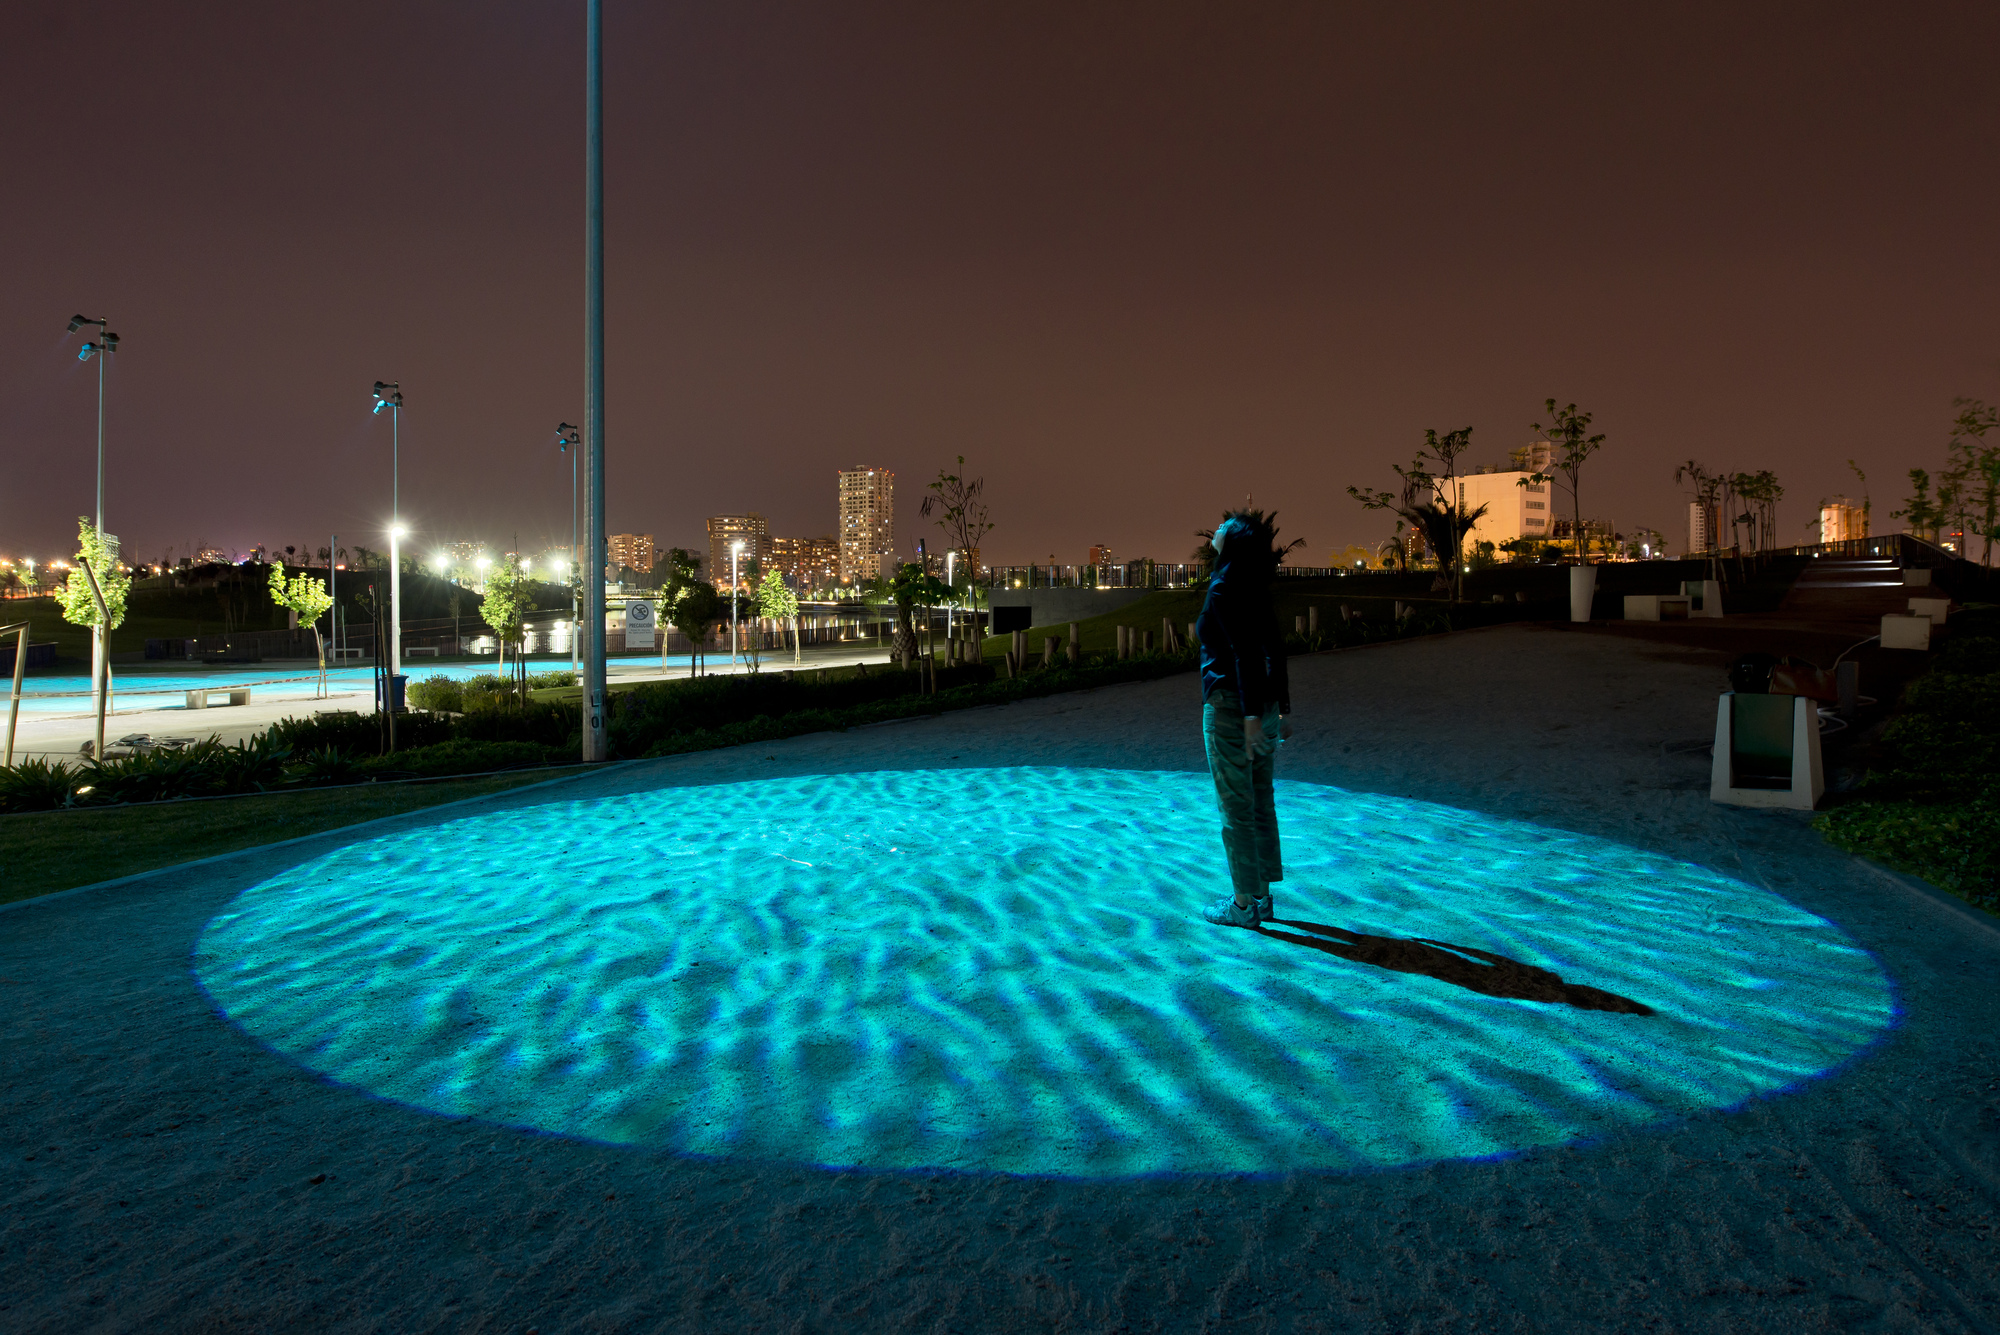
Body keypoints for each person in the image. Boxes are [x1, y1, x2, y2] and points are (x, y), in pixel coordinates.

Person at [1196, 510, 1291, 927]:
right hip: (1263, 709)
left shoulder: (1222, 587)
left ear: (1232, 540)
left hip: (1234, 710)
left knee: (1236, 807)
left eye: (1223, 526)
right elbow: (1275, 646)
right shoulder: (1256, 585)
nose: (1215, 529)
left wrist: (1251, 716)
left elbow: (1246, 654)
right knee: (1260, 801)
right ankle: (1262, 896)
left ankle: (1241, 907)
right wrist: (1280, 708)